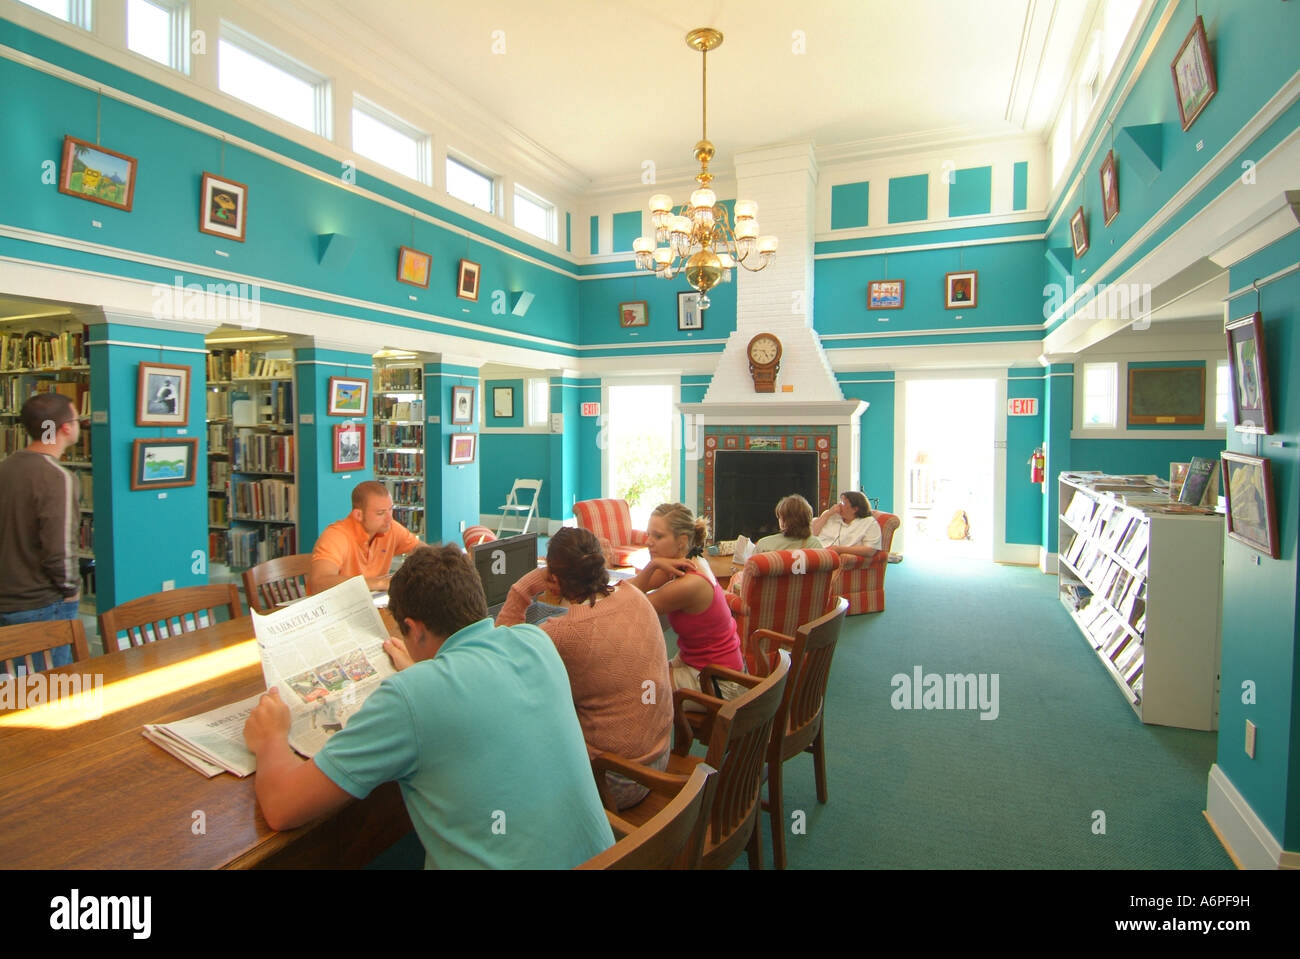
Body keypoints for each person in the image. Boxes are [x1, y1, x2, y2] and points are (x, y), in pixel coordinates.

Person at [243, 544, 615, 869]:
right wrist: (425, 671)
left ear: (413, 628)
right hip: (607, 861)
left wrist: (271, 737)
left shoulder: (409, 696)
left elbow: (282, 808)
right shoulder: (535, 642)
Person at [496, 527, 674, 809]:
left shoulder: (562, 633)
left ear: (553, 581)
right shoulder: (635, 596)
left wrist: (522, 590)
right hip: (659, 757)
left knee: (517, 722)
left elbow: (502, 653)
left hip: (615, 781)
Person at [627, 503, 746, 702]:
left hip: (720, 682)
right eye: (649, 534)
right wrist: (655, 567)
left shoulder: (690, 583)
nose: (648, 542)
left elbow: (629, 605)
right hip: (699, 663)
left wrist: (653, 565)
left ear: (682, 541)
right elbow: (626, 591)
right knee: (639, 680)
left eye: (658, 536)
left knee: (639, 692)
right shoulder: (689, 560)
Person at [0, 392, 82, 668]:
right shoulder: (58, 478)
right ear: (65, 428)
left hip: (6, 600)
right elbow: (59, 549)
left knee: (12, 698)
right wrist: (71, 589)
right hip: (40, 606)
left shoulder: (5, 468)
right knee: (49, 696)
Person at [308, 480, 421, 593]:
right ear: (358, 515)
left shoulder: (390, 528)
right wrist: (380, 583)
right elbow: (319, 583)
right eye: (380, 513)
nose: (389, 518)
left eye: (390, 509)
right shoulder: (336, 536)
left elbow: (425, 553)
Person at [727, 493, 825, 595]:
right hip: (805, 602)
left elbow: (751, 582)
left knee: (737, 577)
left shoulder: (765, 545)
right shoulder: (816, 545)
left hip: (768, 604)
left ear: (783, 521)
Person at [813, 490, 883, 559]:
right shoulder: (832, 515)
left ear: (855, 509)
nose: (839, 505)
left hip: (827, 556)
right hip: (813, 547)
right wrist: (827, 514)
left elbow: (870, 550)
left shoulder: (869, 523)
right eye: (840, 501)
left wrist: (838, 549)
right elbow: (812, 532)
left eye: (843, 503)